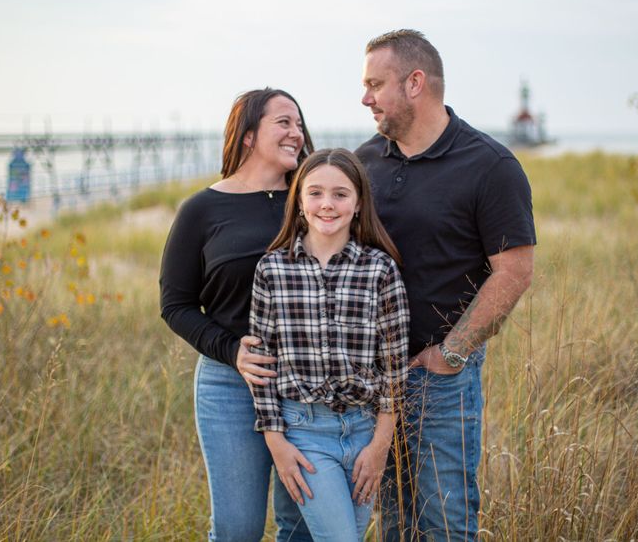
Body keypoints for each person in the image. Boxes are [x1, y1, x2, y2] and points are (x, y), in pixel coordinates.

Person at [357, 30, 536, 540]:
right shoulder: (365, 161)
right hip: (377, 379)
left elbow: (515, 272)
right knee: (394, 520)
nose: (365, 97)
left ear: (415, 83)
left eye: (375, 84)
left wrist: (452, 353)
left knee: (444, 522)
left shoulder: (489, 166)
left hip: (442, 380)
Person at [159, 87, 316, 542]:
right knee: (237, 529)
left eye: (299, 123)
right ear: (248, 134)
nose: (296, 132)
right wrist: (232, 351)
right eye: (283, 122)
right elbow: (175, 304)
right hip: (230, 387)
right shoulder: (202, 210)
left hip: (309, 386)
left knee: (304, 524)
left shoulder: (313, 201)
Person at [249, 148, 410, 542]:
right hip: (303, 431)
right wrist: (276, 442)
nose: (327, 204)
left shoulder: (380, 269)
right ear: (300, 202)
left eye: (340, 194)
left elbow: (395, 365)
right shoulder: (272, 269)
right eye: (315, 193)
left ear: (357, 204)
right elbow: (261, 363)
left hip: (363, 432)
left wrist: (379, 447)